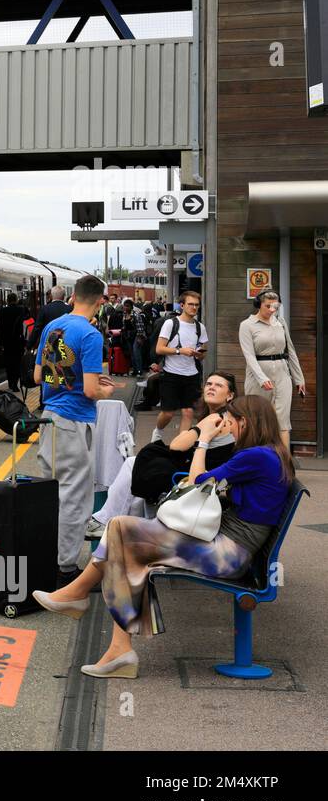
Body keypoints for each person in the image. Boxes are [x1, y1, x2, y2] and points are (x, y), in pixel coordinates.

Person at [32, 395, 294, 679]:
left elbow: (197, 480)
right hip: (229, 547)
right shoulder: (269, 454)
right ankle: (107, 635)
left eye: (231, 423)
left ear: (246, 421)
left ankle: (85, 605)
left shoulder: (255, 456)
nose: (228, 429)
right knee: (124, 536)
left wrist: (204, 438)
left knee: (122, 531)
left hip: (226, 554)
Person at [33, 274, 117, 585]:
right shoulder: (91, 335)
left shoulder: (52, 328)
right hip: (74, 422)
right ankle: (64, 570)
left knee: (51, 495)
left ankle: (47, 559)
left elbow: (39, 376)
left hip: (50, 419)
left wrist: (82, 381)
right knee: (73, 498)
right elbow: (92, 392)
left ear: (72, 297)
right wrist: (105, 390)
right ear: (100, 301)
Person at [86, 371, 238, 538]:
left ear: (230, 395)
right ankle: (115, 523)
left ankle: (107, 520)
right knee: (139, 468)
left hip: (196, 477)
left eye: (218, 385)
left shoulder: (215, 419)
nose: (211, 388)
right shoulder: (221, 416)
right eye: (209, 384)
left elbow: (176, 445)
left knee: (135, 464)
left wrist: (194, 431)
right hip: (200, 472)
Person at [239, 289, 306, 452]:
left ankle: (285, 464)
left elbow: (290, 351)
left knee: (283, 421)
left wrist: (299, 378)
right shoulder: (247, 325)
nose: (272, 310)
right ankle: (256, 460)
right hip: (258, 375)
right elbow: (249, 356)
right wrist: (262, 378)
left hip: (282, 373)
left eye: (275, 306)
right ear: (258, 305)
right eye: (268, 306)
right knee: (257, 418)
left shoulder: (280, 322)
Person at [152, 290, 207, 443]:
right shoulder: (171, 323)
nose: (194, 308)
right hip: (171, 374)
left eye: (196, 305)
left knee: (188, 412)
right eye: (190, 304)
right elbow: (159, 348)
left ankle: (180, 445)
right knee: (168, 413)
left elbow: (204, 352)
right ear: (182, 305)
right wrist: (179, 350)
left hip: (191, 375)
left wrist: (199, 354)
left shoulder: (200, 327)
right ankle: (158, 432)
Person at [0, 291, 27, 392]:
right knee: (18, 362)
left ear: (8, 301)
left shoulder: (2, 311)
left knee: (9, 364)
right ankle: (15, 383)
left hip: (7, 343)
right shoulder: (22, 310)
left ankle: (10, 383)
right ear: (16, 300)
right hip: (19, 341)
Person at [26, 285, 71, 352]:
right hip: (66, 345)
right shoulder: (70, 309)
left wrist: (29, 345)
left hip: (48, 346)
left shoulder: (44, 309)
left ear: (51, 296)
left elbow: (37, 328)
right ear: (64, 296)